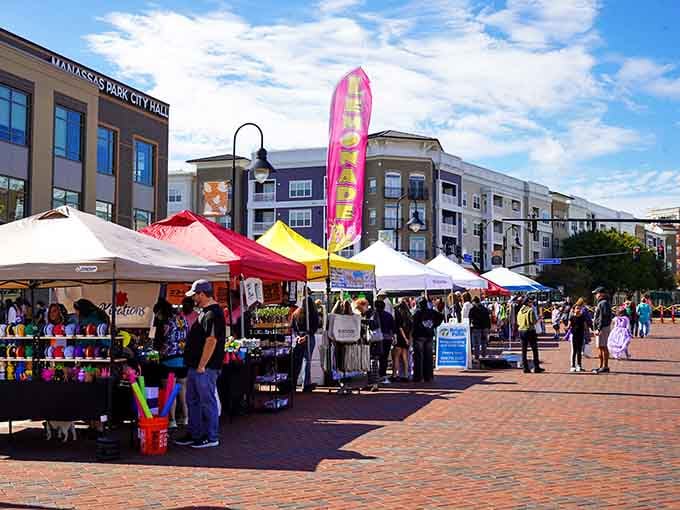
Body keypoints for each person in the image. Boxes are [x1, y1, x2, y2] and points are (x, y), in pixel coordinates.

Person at [175, 280, 226, 449]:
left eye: (195, 295)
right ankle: (195, 433)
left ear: (202, 294)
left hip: (205, 367)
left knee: (206, 400)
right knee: (193, 400)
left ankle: (211, 436)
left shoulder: (213, 314)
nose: (194, 298)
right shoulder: (206, 312)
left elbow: (211, 341)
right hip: (197, 365)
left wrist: (202, 365)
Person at [411, 297, 443, 382]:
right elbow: (441, 316)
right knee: (428, 356)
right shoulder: (431, 311)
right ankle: (428, 376)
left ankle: (419, 376)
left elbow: (413, 324)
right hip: (429, 336)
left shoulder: (417, 313)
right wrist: (433, 325)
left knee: (418, 357)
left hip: (419, 336)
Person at [291, 305, 316, 392]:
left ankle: (293, 384)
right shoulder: (310, 314)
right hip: (308, 337)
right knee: (307, 361)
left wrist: (298, 337)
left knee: (297, 362)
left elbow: (293, 328)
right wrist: (305, 337)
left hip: (299, 338)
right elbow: (314, 328)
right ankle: (305, 384)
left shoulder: (295, 314)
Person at [517, 296, 544, 373]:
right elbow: (533, 322)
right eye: (530, 302)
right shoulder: (530, 310)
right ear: (528, 303)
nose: (532, 303)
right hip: (530, 331)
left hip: (521, 330)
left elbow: (518, 322)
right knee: (534, 349)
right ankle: (536, 367)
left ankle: (525, 368)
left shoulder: (520, 311)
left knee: (524, 350)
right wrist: (539, 318)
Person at [372, 299, 395, 383]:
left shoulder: (373, 315)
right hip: (387, 338)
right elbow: (392, 328)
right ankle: (382, 374)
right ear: (384, 306)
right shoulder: (389, 315)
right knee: (384, 357)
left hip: (375, 338)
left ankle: (374, 375)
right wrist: (393, 337)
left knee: (374, 357)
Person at [592, 287, 613, 374]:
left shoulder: (603, 303)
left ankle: (605, 366)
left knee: (603, 347)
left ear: (601, 293)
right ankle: (601, 366)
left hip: (603, 327)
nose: (596, 295)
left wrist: (599, 328)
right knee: (601, 347)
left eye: (597, 293)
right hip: (602, 327)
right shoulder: (603, 302)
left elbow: (602, 317)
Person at [392, 299, 412, 381]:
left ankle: (394, 375)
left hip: (400, 338)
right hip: (407, 338)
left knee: (396, 357)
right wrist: (408, 340)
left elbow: (400, 328)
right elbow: (411, 330)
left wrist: (404, 338)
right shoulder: (409, 316)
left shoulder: (398, 315)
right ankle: (406, 375)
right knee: (405, 357)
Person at [567, 303, 587, 372]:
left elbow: (585, 326)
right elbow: (569, 326)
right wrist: (566, 328)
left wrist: (587, 334)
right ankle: (572, 366)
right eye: (577, 308)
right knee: (574, 351)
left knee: (579, 351)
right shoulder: (572, 317)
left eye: (579, 308)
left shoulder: (582, 317)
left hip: (581, 335)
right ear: (574, 310)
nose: (578, 310)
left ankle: (579, 365)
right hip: (574, 335)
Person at [469, 297, 491, 362]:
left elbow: (470, 318)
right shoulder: (485, 309)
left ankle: (477, 357)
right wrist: (488, 327)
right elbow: (488, 319)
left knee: (477, 343)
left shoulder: (472, 309)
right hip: (485, 327)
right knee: (484, 342)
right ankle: (484, 355)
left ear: (474, 302)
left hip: (476, 328)